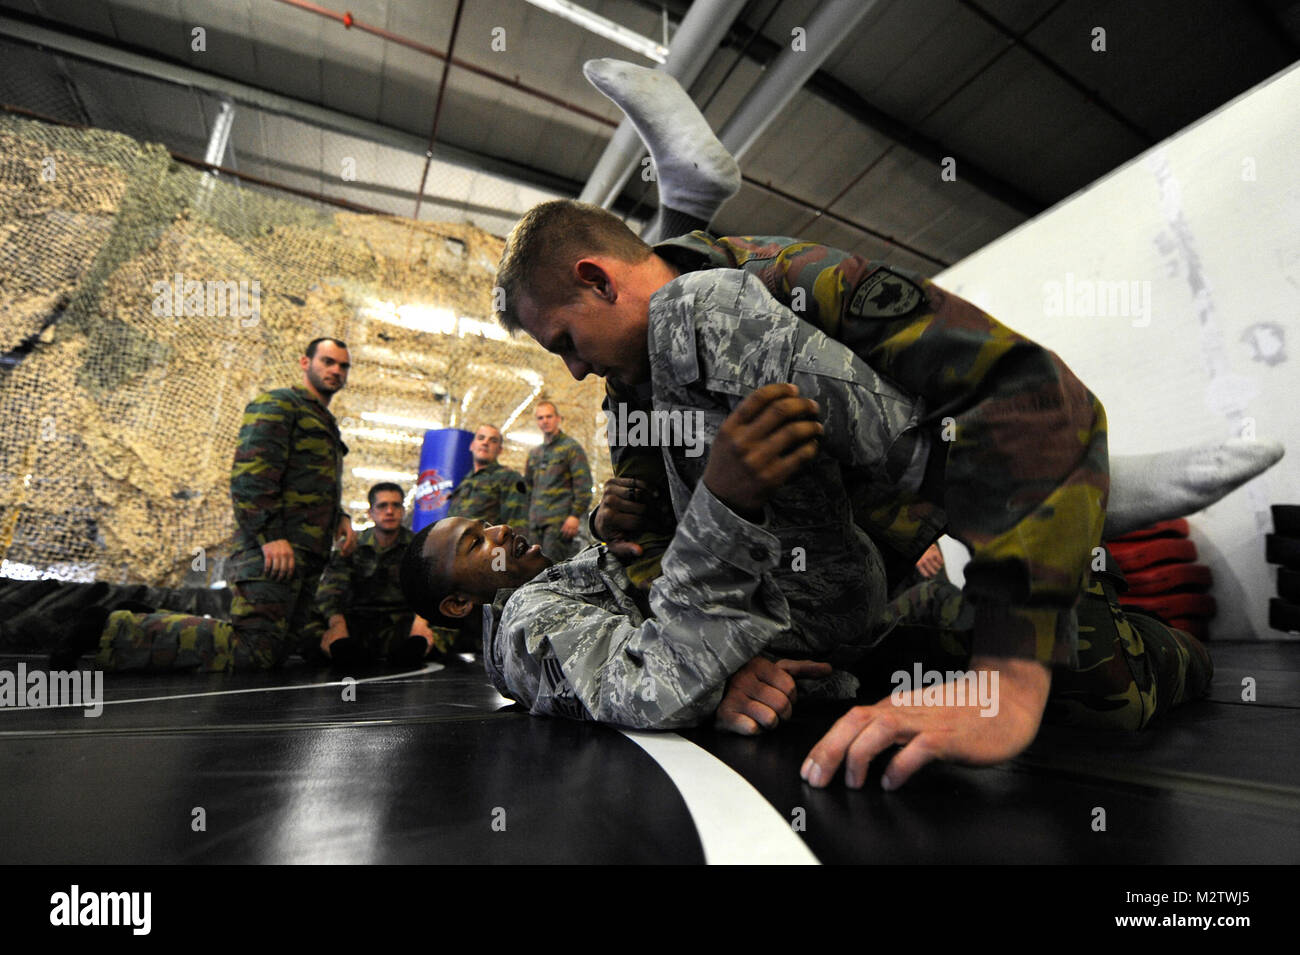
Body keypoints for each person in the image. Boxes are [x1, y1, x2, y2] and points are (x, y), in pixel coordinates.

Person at [493, 197, 1216, 788]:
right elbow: (647, 537)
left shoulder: (792, 283)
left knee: (1100, 687)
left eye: (564, 341)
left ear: (597, 278)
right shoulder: (629, 384)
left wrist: (1008, 680)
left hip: (885, 558)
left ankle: (1141, 625)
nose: (576, 370)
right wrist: (720, 658)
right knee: (894, 692)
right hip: (811, 623)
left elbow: (1035, 395)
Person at [402, 385, 835, 728]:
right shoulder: (523, 623)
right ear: (458, 604)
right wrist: (722, 503)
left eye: (485, 525)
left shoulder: (538, 587)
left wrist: (599, 525)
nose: (500, 530)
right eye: (476, 544)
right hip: (798, 607)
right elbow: (646, 685)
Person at [53, 338, 358, 672]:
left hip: (307, 553)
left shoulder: (325, 423)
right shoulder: (279, 404)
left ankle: (143, 619)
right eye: (328, 361)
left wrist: (340, 516)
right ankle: (110, 627)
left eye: (343, 366)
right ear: (305, 362)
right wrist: (269, 535)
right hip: (272, 550)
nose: (335, 371)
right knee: (251, 651)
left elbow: (314, 482)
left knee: (275, 653)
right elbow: (250, 476)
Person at [308, 482, 443, 668]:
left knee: (449, 620)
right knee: (307, 621)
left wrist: (420, 625)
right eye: (382, 506)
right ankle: (344, 650)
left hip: (402, 621)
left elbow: (431, 589)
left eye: (396, 505)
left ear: (403, 511)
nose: (389, 511)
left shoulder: (420, 546)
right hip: (358, 621)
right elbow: (330, 592)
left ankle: (414, 648)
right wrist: (337, 625)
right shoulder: (352, 546)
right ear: (370, 513)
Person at [523, 402, 592, 562]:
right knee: (532, 568)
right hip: (535, 524)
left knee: (552, 569)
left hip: (559, 524)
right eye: (540, 418)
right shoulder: (534, 453)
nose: (545, 421)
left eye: (549, 416)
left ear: (558, 418)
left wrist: (575, 516)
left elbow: (584, 485)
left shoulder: (571, 448)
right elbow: (528, 488)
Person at [446, 425, 528, 526]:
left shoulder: (509, 478)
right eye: (481, 438)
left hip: (486, 541)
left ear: (500, 450)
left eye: (493, 441)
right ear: (471, 445)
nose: (485, 443)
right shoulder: (465, 481)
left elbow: (518, 523)